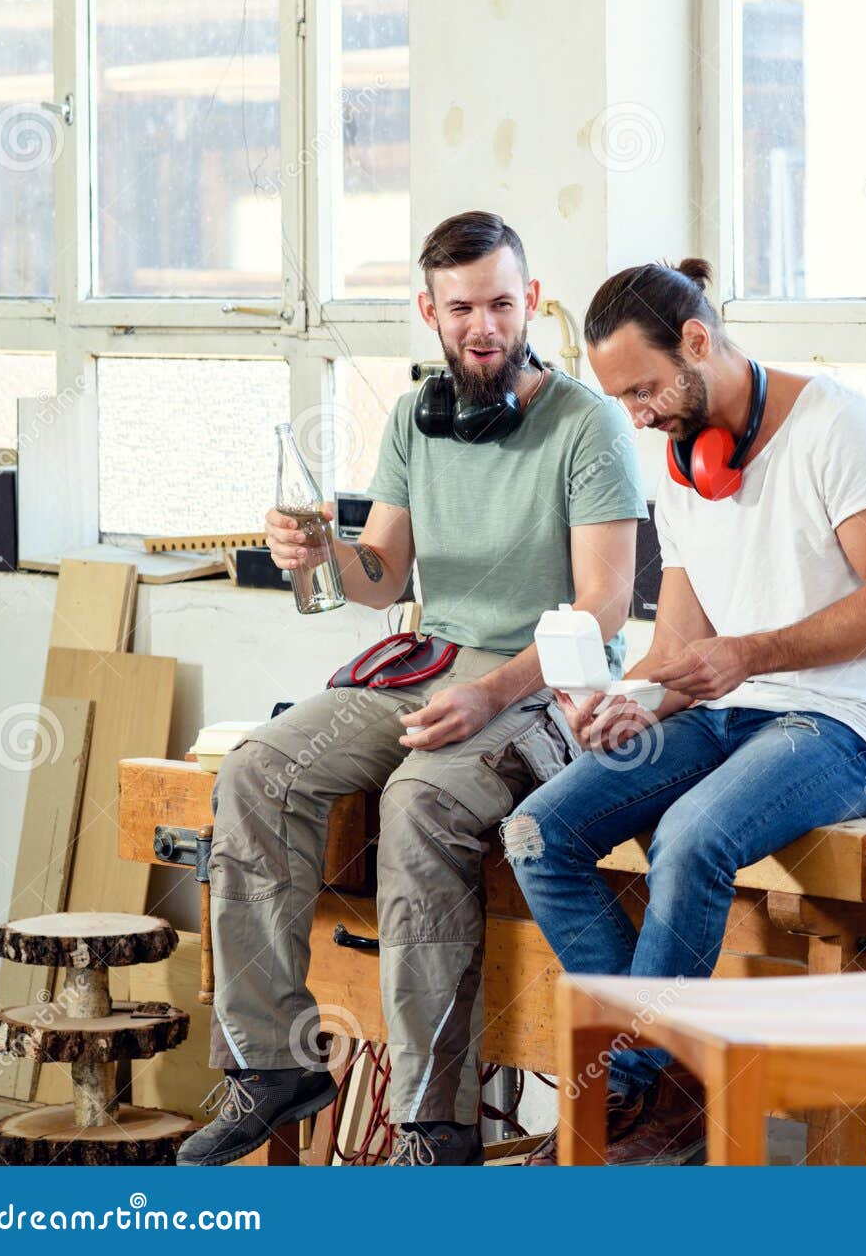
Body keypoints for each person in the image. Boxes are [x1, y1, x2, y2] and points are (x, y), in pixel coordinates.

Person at [177, 212, 648, 1167]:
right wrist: (323, 554)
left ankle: (435, 1125)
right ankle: (271, 1063)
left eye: (504, 304)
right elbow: (384, 576)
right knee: (259, 769)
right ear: (429, 310)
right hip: (426, 665)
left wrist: (490, 695)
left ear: (533, 303)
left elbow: (601, 609)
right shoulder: (411, 418)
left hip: (542, 689)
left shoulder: (589, 424)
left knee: (422, 799)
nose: (485, 326)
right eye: (463, 307)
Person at [506, 258, 866, 1165]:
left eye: (645, 388)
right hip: (730, 711)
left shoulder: (841, 428)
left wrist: (751, 653)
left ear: (698, 342)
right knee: (539, 832)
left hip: (844, 725)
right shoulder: (680, 460)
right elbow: (678, 652)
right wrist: (631, 703)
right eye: (619, 397)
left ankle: (625, 1096)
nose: (637, 414)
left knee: (691, 835)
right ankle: (668, 1096)